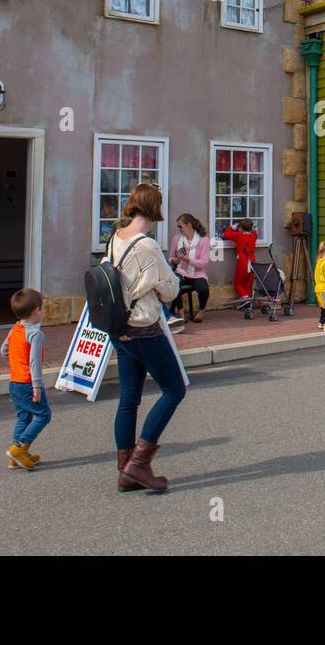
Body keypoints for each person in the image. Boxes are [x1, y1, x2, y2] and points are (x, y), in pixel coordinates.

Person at [109, 183, 187, 493]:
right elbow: (170, 289)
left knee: (129, 399)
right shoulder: (148, 246)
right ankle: (139, 465)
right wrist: (161, 283)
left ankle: (124, 469)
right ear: (155, 208)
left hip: (119, 328)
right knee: (174, 389)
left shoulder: (115, 238)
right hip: (144, 327)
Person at [1, 288, 50, 471]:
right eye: (42, 309)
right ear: (36, 311)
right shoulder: (36, 334)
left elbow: (4, 350)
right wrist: (37, 386)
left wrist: (15, 362)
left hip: (14, 381)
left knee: (23, 417)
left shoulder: (15, 329)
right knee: (44, 415)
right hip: (28, 383)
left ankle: (15, 458)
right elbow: (34, 361)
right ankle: (19, 448)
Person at [169, 213, 211, 327]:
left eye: (180, 226)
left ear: (189, 225)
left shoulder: (204, 240)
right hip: (181, 272)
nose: (179, 229)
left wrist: (188, 260)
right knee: (174, 283)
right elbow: (170, 257)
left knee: (203, 288)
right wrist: (176, 260)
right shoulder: (177, 239)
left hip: (197, 273)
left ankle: (201, 311)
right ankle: (181, 313)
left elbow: (204, 262)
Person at [222, 218, 258, 309]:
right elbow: (255, 232)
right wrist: (250, 229)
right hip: (252, 261)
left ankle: (245, 299)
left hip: (242, 261)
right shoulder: (253, 236)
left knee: (238, 283)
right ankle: (248, 303)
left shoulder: (238, 236)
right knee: (248, 283)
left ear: (241, 228)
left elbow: (226, 234)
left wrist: (232, 227)